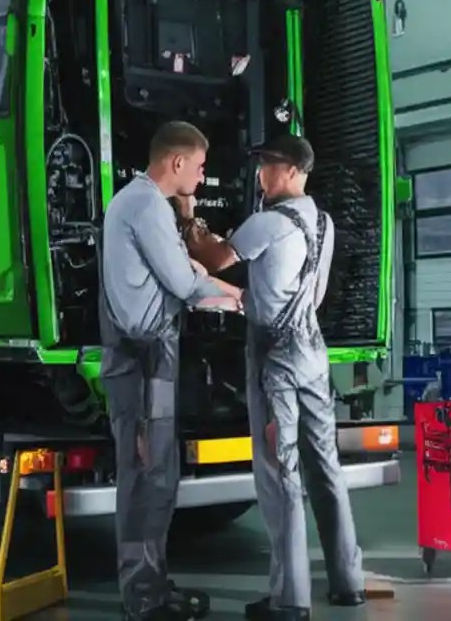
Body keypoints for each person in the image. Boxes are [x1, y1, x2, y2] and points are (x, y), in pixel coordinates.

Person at [175, 134, 366, 621]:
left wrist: (189, 216)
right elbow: (315, 295)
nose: (260, 174)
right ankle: (348, 583)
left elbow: (215, 258)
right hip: (313, 351)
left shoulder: (270, 222)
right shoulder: (323, 222)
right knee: (325, 467)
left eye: (268, 165)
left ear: (292, 170)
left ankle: (290, 600)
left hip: (275, 355)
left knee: (280, 473)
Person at [100, 120, 243, 621]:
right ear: (177, 162)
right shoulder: (145, 206)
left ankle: (154, 583)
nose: (202, 178)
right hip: (141, 361)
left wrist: (214, 281)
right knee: (145, 478)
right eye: (199, 168)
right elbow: (185, 284)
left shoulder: (141, 203)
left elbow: (187, 271)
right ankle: (142, 595)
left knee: (159, 475)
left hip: (149, 358)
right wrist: (242, 298)